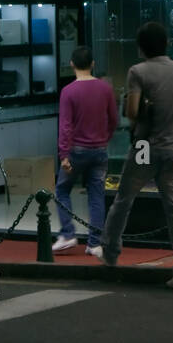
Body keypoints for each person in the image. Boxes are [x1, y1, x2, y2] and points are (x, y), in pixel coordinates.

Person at [97, 21, 173, 289]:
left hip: (144, 146)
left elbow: (131, 111)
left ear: (141, 47)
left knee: (124, 200)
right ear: (166, 44)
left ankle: (110, 253)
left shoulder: (137, 71)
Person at [53, 47, 119, 256]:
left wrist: (64, 155)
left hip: (76, 151)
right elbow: (114, 120)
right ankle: (94, 243)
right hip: (99, 150)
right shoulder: (105, 89)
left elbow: (65, 126)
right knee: (96, 196)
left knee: (62, 190)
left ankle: (67, 233)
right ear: (93, 64)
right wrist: (104, 139)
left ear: (72, 64)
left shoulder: (68, 91)